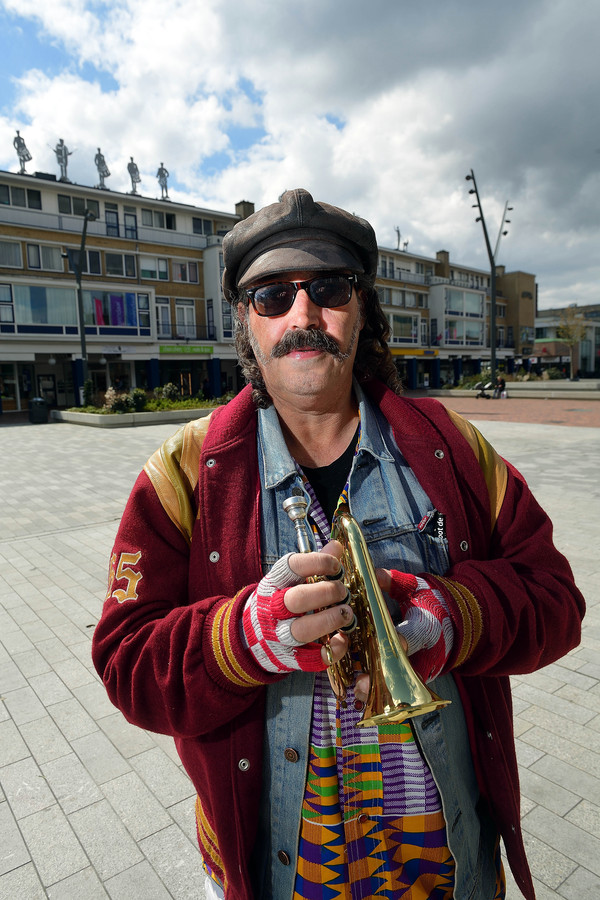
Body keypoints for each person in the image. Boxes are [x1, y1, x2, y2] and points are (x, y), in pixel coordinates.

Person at [92, 189, 585, 900]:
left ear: (361, 310)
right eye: (272, 296)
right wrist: (243, 637)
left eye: (328, 288)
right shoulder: (179, 474)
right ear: (247, 323)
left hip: (442, 873)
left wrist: (456, 616)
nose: (302, 315)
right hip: (277, 876)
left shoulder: (452, 449)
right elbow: (125, 661)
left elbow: (557, 601)